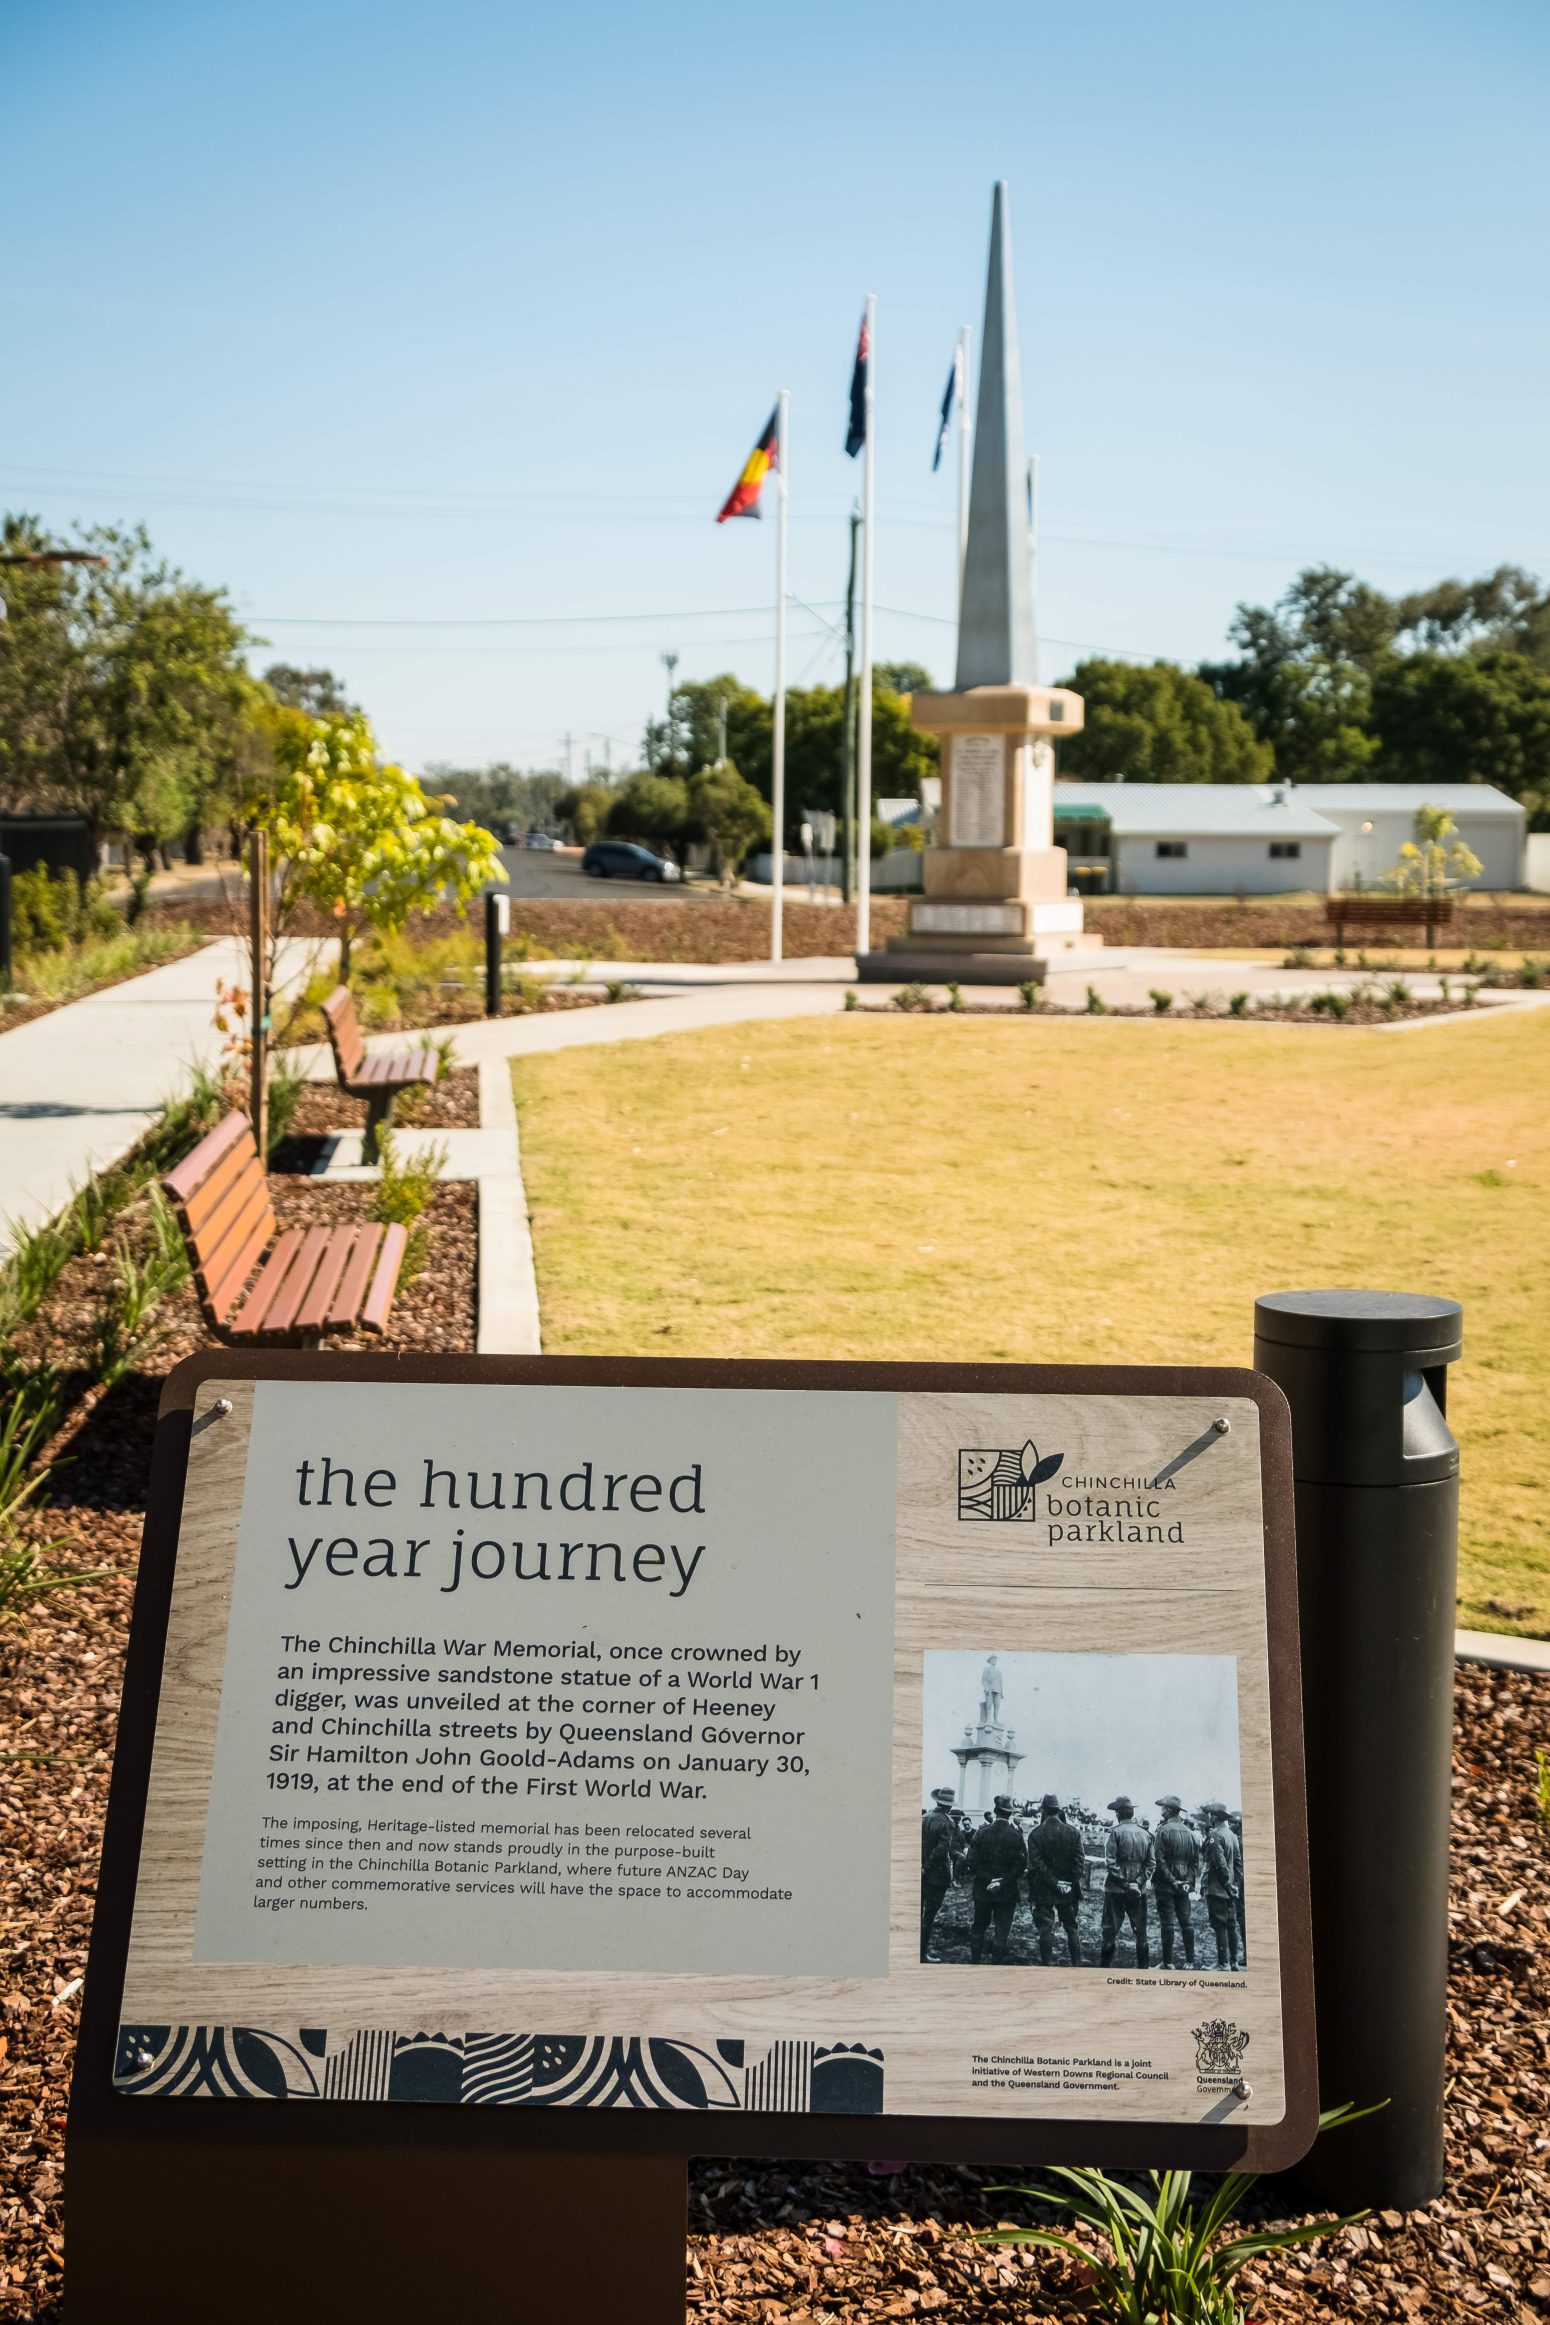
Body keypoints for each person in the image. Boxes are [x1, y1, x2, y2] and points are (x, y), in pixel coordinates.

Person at [1025, 1792, 1085, 1966]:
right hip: (1068, 1890)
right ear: (1059, 1810)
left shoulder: (1035, 1834)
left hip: (1044, 1888)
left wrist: (1054, 1882)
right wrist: (1068, 1883)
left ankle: (1047, 1966)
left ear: (1043, 1810)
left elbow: (1036, 1864)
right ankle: (1077, 1965)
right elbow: (1079, 1862)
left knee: (1045, 1929)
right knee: (1072, 1928)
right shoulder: (1073, 1832)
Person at [967, 1794, 1027, 1963]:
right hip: (1006, 1892)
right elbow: (1020, 1865)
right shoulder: (1016, 1835)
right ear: (1010, 1814)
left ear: (995, 1812)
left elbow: (971, 1861)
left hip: (983, 1890)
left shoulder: (981, 1833)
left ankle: (975, 1963)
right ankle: (995, 1967)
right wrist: (1001, 1881)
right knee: (1001, 1931)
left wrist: (989, 1880)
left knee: (978, 1927)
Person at [1099, 1795, 1154, 1968]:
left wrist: (1124, 1882)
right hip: (1138, 1889)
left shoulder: (1114, 1832)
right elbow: (1151, 1863)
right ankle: (1143, 1971)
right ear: (1131, 1813)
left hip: (1116, 1888)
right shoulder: (1146, 1834)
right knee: (1141, 1932)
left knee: (1110, 1931)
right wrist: (1136, 1882)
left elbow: (1110, 1862)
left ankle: (1104, 1970)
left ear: (1118, 1814)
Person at [1151, 1794, 1201, 1970]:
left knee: (1168, 1923)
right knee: (1186, 1923)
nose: (1162, 1811)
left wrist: (1172, 1880)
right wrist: (1187, 1881)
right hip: (1184, 1885)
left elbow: (1159, 1860)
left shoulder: (1162, 1831)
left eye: (1163, 1808)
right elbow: (1195, 1863)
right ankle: (1190, 1962)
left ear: (1170, 1810)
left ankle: (1168, 1963)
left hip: (1166, 1885)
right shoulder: (1191, 1834)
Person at [1200, 1802, 1243, 1970]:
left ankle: (1222, 1963)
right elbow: (1238, 1864)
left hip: (1218, 1888)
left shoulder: (1216, 1836)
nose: (1208, 1817)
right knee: (1231, 1924)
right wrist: (1235, 1885)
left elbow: (1220, 1863)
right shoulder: (1232, 1835)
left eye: (1210, 1815)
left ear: (1214, 1817)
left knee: (1220, 1925)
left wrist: (1227, 1884)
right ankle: (1234, 1962)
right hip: (1231, 1888)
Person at [920, 1787, 958, 1961]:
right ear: (949, 1806)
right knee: (929, 1916)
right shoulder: (948, 1822)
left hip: (921, 1873)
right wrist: (927, 1866)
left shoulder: (924, 1818)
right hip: (936, 1875)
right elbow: (942, 1850)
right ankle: (922, 1953)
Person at [1230, 1812, 1248, 1966]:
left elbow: (1239, 1868)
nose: (1230, 1826)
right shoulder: (1241, 1840)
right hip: (1244, 1884)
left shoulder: (1240, 1842)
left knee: (1242, 1918)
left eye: (1232, 1823)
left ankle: (1248, 1955)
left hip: (1243, 1885)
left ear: (1238, 1825)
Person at [980, 1655, 1004, 1725]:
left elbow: (1000, 1682)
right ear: (990, 1660)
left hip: (998, 1690)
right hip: (990, 1689)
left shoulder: (999, 1671)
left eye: (995, 1659)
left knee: (997, 1706)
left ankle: (996, 1720)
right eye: (993, 1659)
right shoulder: (986, 1669)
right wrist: (986, 1688)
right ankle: (988, 1720)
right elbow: (983, 1679)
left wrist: (1002, 1692)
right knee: (989, 1705)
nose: (994, 1661)